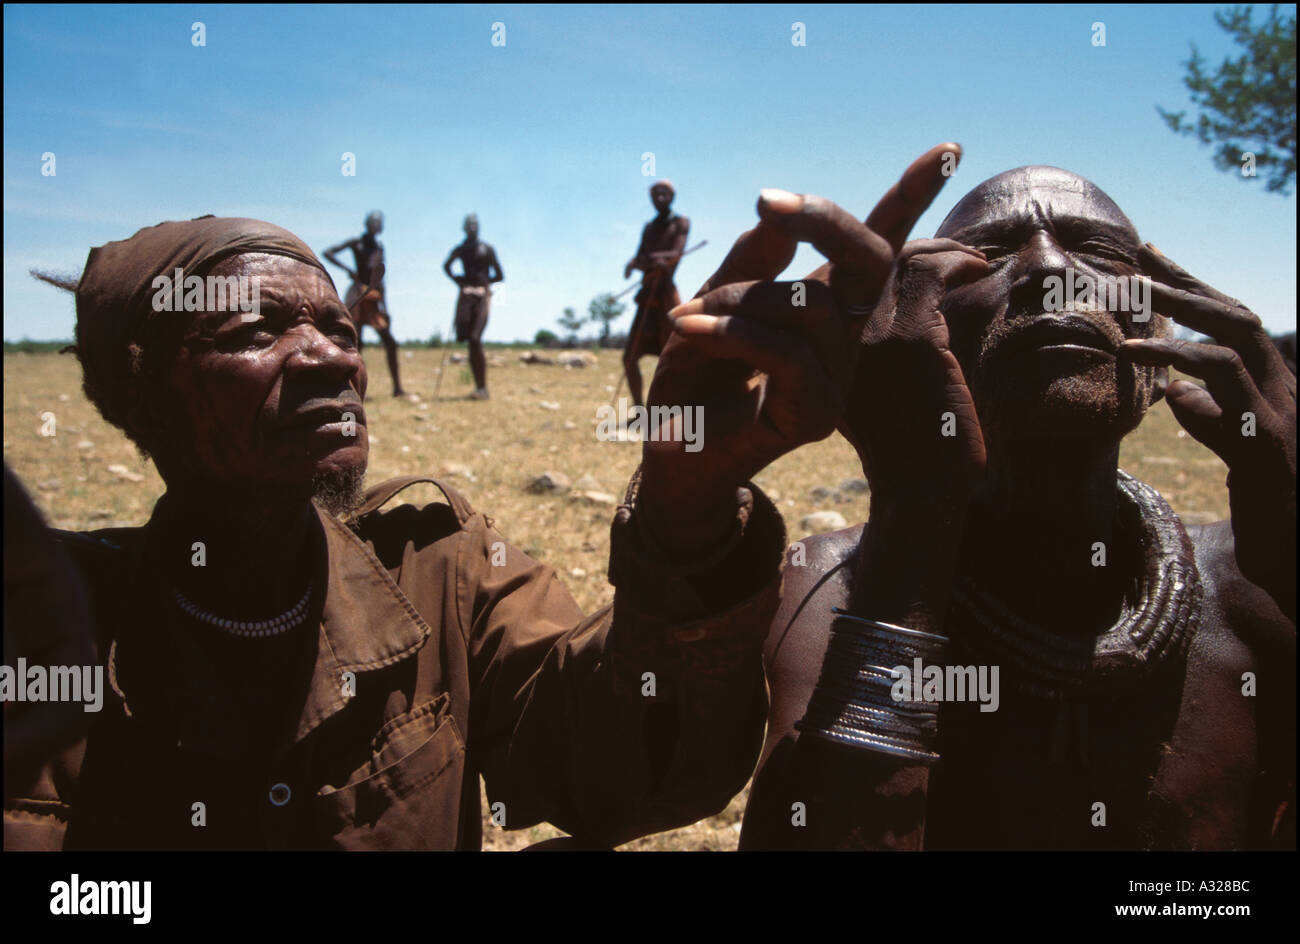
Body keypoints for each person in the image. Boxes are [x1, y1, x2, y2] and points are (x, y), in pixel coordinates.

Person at [0, 164, 953, 849]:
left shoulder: (434, 565)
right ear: (145, 394)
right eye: (256, 329)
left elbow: (628, 770)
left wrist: (689, 509)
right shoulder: (44, 631)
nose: (331, 355)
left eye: (337, 326)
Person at [734, 163, 1296, 850]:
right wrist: (911, 518)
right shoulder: (820, 595)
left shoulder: (1257, 584)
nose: (1049, 268)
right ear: (912, 335)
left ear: (1161, 357)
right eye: (988, 257)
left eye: (1101, 253)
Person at [323, 211, 406, 398]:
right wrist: (348, 270)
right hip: (359, 293)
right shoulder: (356, 243)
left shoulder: (379, 247)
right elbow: (328, 252)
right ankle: (355, 389)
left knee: (390, 342)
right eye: (374, 222)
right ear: (367, 224)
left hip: (374, 295)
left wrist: (385, 306)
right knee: (357, 341)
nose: (377, 225)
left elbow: (380, 276)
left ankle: (397, 388)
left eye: (379, 223)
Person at [622, 181, 690, 407]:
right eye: (655, 195)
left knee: (673, 356)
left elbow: (675, 255)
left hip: (666, 296)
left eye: (665, 194)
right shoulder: (649, 227)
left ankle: (669, 411)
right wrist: (639, 262)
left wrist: (646, 261)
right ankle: (639, 410)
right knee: (629, 357)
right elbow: (639, 257)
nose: (660, 198)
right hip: (646, 296)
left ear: (673, 196)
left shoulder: (681, 223)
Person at [442, 214, 502, 400]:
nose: (472, 228)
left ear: (479, 227)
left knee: (475, 338)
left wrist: (484, 282)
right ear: (464, 228)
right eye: (469, 225)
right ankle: (479, 387)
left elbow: (500, 275)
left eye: (475, 225)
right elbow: (447, 266)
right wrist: (459, 280)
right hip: (466, 295)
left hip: (483, 296)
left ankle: (482, 388)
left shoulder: (487, 249)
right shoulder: (461, 249)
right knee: (467, 338)